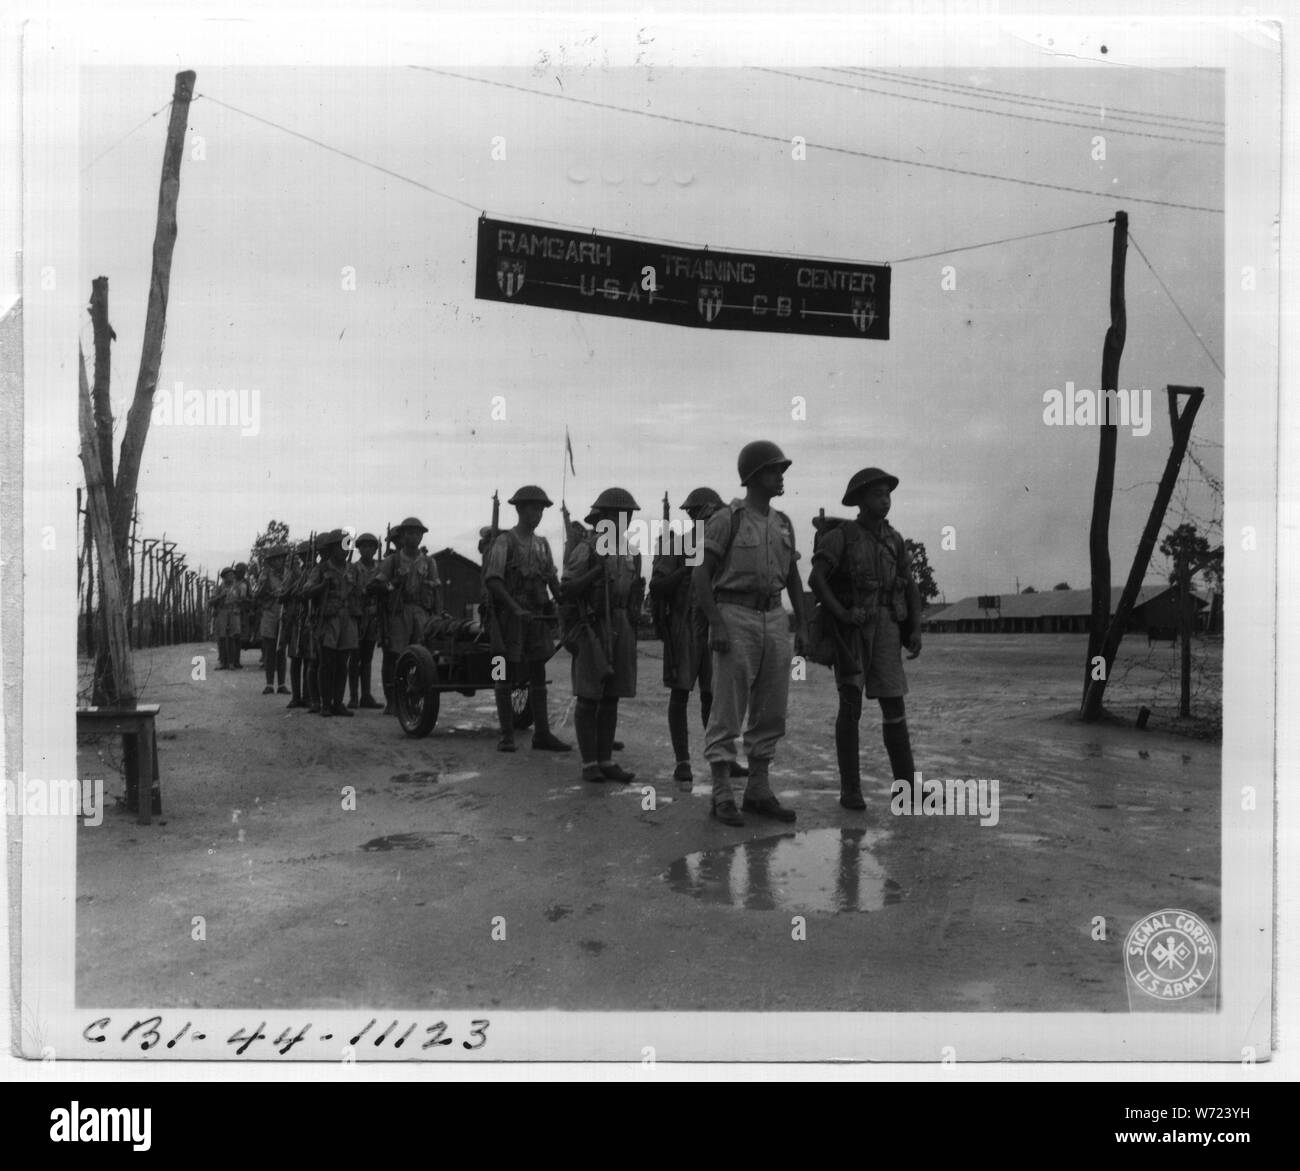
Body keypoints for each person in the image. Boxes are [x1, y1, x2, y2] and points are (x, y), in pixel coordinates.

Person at [693, 441, 807, 826]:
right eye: (774, 470)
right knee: (728, 705)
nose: (781, 477)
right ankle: (722, 794)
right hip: (734, 612)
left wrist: (802, 623)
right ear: (754, 476)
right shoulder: (727, 519)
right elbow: (700, 575)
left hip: (774, 615)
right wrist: (717, 623)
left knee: (772, 707)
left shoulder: (783, 523)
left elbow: (792, 576)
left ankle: (758, 789)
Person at [809, 467, 922, 812]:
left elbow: (910, 584)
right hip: (853, 630)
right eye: (877, 494)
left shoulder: (895, 539)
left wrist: (915, 628)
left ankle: (907, 792)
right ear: (859, 500)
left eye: (888, 493)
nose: (885, 500)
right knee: (851, 705)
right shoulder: (842, 536)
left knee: (894, 707)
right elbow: (817, 579)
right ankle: (851, 790)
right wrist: (843, 616)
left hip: (887, 626)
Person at [650, 487, 749, 792]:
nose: (707, 518)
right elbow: (657, 586)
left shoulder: (721, 544)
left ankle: (721, 759)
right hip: (683, 627)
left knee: (714, 697)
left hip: (712, 626)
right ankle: (682, 762)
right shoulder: (677, 544)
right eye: (701, 513)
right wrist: (684, 573)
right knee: (680, 695)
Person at [561, 488, 641, 783]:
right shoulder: (587, 548)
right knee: (588, 697)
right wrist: (595, 574)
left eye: (629, 515)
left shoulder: (631, 551)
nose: (626, 520)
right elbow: (565, 589)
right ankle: (589, 763)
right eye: (620, 515)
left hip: (621, 621)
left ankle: (606, 760)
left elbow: (634, 590)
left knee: (612, 696)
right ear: (603, 518)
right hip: (593, 624)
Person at [483, 486, 571, 753]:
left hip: (536, 617)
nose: (539, 513)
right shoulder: (504, 542)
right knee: (502, 672)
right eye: (534, 508)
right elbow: (493, 580)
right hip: (506, 620)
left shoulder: (543, 545)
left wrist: (563, 602)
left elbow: (553, 583)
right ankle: (507, 734)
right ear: (520, 509)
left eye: (542, 509)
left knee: (537, 671)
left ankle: (542, 734)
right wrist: (514, 608)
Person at [371, 518, 443, 715]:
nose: (414, 537)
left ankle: (413, 700)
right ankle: (393, 701)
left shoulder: (429, 562)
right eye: (409, 533)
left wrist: (437, 616)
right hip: (398, 613)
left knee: (421, 659)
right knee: (393, 657)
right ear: (402, 536)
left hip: (421, 615)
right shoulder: (392, 561)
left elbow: (436, 590)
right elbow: (376, 586)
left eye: (418, 533)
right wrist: (393, 584)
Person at [302, 529, 363, 718]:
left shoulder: (353, 569)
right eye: (340, 545)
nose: (344, 549)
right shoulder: (320, 570)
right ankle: (325, 703)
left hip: (348, 618)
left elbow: (361, 591)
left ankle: (338, 703)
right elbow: (307, 591)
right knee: (326, 663)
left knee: (342, 663)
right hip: (328, 620)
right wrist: (323, 586)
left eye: (347, 545)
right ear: (332, 547)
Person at [348, 533, 384, 709]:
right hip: (357, 615)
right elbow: (350, 589)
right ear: (359, 548)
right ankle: (354, 696)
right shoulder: (354, 568)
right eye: (364, 546)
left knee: (367, 658)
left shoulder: (380, 567)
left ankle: (366, 695)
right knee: (355, 658)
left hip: (373, 616)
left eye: (371, 546)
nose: (368, 549)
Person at [255, 546, 291, 695]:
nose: (278, 561)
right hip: (270, 613)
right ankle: (269, 684)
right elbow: (258, 594)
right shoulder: (265, 575)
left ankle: (282, 684)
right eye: (275, 559)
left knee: (281, 650)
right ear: (270, 562)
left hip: (285, 614)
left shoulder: (289, 574)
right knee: (270, 650)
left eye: (280, 558)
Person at [209, 567, 242, 670]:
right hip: (222, 613)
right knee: (222, 638)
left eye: (232, 575)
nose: (231, 577)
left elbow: (241, 600)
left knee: (233, 638)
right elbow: (210, 602)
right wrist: (221, 596)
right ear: (224, 577)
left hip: (233, 613)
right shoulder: (219, 588)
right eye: (229, 575)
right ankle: (223, 662)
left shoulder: (237, 588)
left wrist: (239, 602)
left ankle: (232, 662)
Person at [231, 562, 251, 669]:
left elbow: (250, 597)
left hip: (242, 612)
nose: (242, 574)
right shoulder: (231, 582)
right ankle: (230, 661)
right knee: (231, 636)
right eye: (240, 572)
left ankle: (236, 661)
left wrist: (245, 601)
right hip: (231, 611)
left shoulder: (246, 583)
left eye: (243, 572)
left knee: (238, 637)